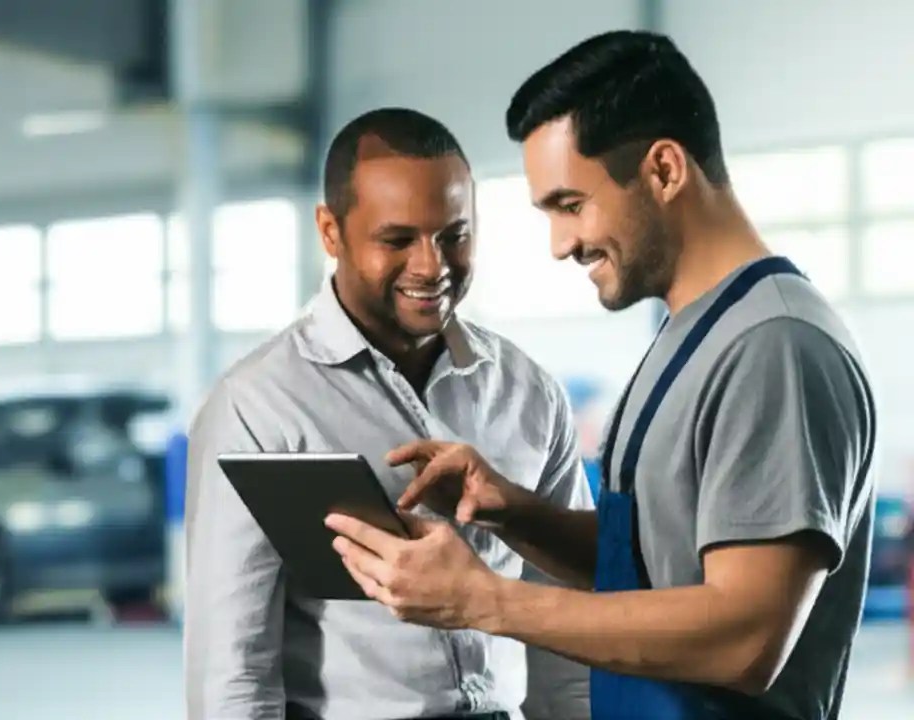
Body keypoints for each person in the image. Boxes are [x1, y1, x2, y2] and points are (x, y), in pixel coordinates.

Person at [325, 30, 878, 720]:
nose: (562, 244)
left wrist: (485, 600)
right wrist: (511, 511)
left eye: (571, 205)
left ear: (665, 170)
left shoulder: (776, 346)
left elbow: (747, 635)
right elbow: (654, 569)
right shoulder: (694, 335)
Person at [184, 108, 594, 720]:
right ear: (331, 231)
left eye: (454, 234)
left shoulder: (528, 392)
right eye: (397, 240)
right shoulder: (257, 406)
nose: (432, 266)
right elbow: (233, 670)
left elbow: (568, 618)